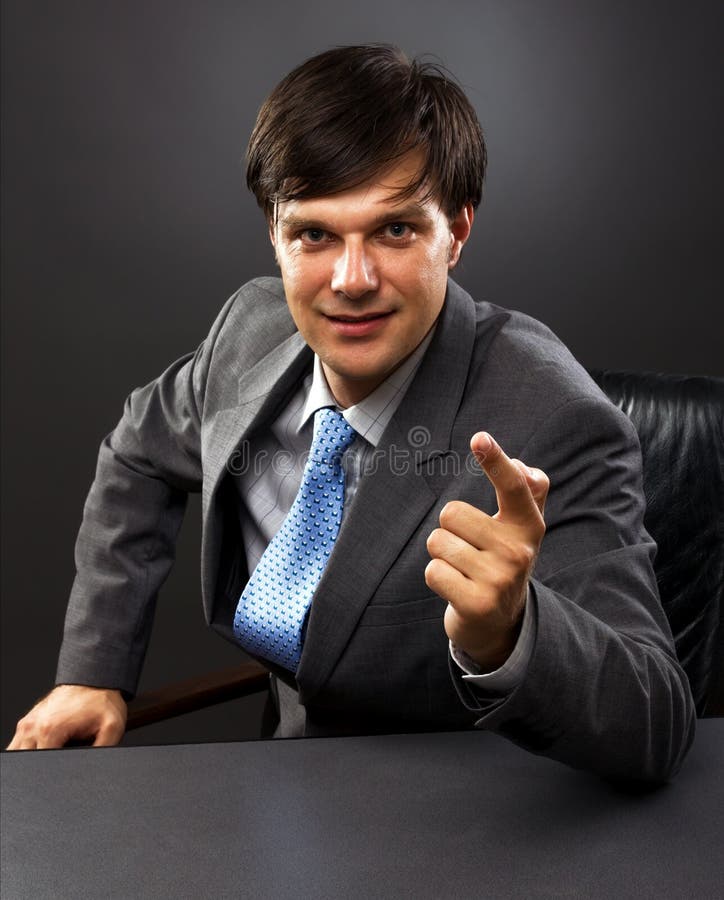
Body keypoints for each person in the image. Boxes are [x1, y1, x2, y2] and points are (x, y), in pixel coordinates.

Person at [8, 44, 695, 780]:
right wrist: (95, 668)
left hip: (470, 814)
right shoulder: (249, 331)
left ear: (456, 232)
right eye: (314, 234)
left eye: (395, 230)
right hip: (282, 792)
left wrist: (511, 634)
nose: (352, 279)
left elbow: (655, 721)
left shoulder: (552, 416)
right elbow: (138, 452)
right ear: (274, 233)